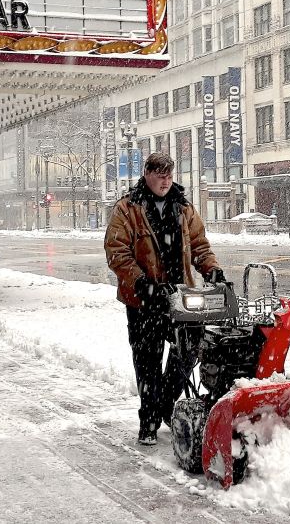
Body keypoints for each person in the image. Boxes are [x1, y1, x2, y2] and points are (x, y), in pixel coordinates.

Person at [104, 152, 227, 445]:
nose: (165, 181)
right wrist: (142, 283)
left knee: (189, 350)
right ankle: (148, 421)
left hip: (179, 297)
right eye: (160, 175)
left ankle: (164, 405)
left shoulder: (183, 207)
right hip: (143, 301)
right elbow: (117, 252)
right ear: (147, 174)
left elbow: (199, 245)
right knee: (147, 360)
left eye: (169, 175)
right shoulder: (127, 208)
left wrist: (212, 270)